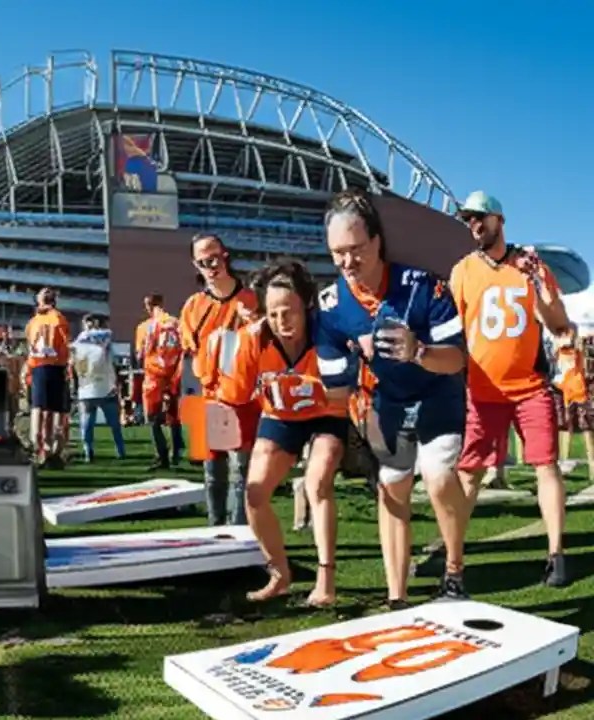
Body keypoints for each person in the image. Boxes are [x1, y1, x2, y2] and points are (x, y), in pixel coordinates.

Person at [315, 189, 470, 608]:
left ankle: (454, 571)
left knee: (438, 476)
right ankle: (396, 595)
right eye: (337, 253)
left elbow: (456, 359)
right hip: (386, 402)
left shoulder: (423, 286)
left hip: (437, 392)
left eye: (355, 249)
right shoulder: (331, 306)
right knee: (392, 487)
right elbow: (335, 388)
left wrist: (417, 350)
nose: (347, 262)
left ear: (378, 241)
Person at [450, 191, 571, 587]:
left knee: (545, 465)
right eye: (468, 219)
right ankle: (455, 557)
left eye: (480, 217)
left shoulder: (530, 265)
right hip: (482, 389)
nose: (473, 225)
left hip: (530, 387)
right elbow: (452, 331)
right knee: (468, 473)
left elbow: (558, 324)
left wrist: (545, 290)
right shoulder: (463, 270)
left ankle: (556, 555)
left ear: (500, 219)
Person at [218, 260, 348, 607]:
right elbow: (234, 392)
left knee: (317, 481)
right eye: (273, 314)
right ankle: (279, 573)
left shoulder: (327, 333)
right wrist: (230, 348)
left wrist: (305, 388)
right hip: (280, 415)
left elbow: (347, 391)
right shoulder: (252, 338)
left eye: (288, 311)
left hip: (327, 412)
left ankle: (326, 578)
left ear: (306, 305)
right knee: (255, 493)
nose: (281, 322)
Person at [179, 234, 259, 526]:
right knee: (212, 471)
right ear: (195, 265)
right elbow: (190, 355)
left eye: (214, 257)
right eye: (202, 261)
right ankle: (214, 529)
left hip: (243, 396)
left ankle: (240, 533)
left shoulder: (250, 299)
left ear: (226, 255)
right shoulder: (193, 306)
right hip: (208, 396)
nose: (210, 265)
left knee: (242, 470)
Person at [24, 287, 71, 467]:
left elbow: (31, 347)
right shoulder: (58, 318)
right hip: (54, 367)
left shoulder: (34, 321)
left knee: (41, 410)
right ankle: (50, 450)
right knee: (53, 411)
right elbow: (66, 345)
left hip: (41, 367)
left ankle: (42, 448)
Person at [70, 314, 126, 462]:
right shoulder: (107, 337)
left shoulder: (78, 342)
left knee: (87, 424)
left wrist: (75, 385)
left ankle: (88, 452)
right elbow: (114, 361)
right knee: (114, 423)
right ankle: (120, 451)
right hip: (106, 386)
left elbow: (73, 365)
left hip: (86, 387)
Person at [139, 295, 185, 470]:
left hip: (153, 377)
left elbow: (140, 353)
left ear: (148, 306)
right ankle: (176, 453)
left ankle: (162, 456)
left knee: (154, 419)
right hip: (174, 374)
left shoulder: (145, 327)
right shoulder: (176, 323)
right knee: (173, 416)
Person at [555, 333, 593, 468]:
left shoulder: (577, 350)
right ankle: (564, 460)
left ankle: (591, 463)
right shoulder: (564, 350)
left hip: (578, 390)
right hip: (568, 389)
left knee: (586, 428)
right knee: (567, 426)